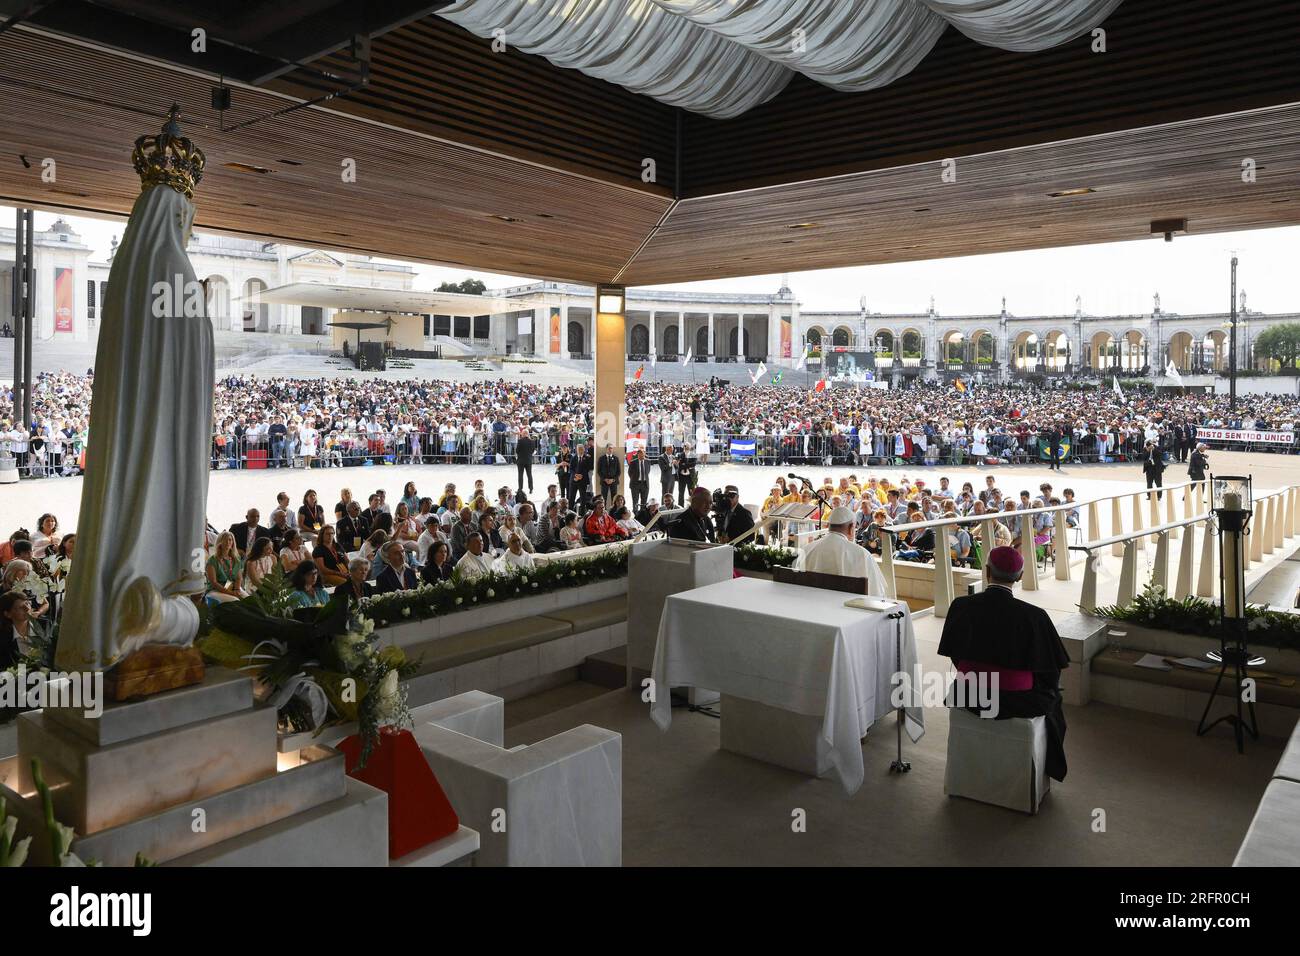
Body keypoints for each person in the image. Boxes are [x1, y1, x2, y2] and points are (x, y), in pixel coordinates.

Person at [938, 545, 1069, 781]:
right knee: (1055, 701)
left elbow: (955, 654)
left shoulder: (961, 606)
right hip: (1017, 700)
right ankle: (1050, 768)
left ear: (987, 571)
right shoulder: (1035, 616)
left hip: (969, 693)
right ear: (1019, 577)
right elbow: (1050, 668)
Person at [794, 505, 886, 593]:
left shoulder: (806, 550)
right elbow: (877, 591)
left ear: (829, 526)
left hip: (811, 605)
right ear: (851, 528)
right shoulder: (862, 554)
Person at [205, 531, 245, 603]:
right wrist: (231, 593)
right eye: (225, 539)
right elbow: (214, 583)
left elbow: (239, 578)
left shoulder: (236, 559)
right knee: (235, 600)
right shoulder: (212, 560)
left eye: (230, 539)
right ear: (220, 542)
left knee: (249, 599)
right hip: (215, 590)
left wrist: (236, 590)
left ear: (233, 542)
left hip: (232, 587)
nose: (228, 542)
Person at [597, 443, 622, 507]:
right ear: (606, 449)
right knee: (603, 498)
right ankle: (603, 512)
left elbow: (618, 472)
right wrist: (605, 479)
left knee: (614, 498)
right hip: (604, 481)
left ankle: (613, 512)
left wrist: (613, 479)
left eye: (612, 448)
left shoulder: (616, 459)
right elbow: (599, 471)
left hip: (613, 482)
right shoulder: (601, 458)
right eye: (609, 448)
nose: (610, 449)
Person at [628, 448, 650, 513]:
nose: (642, 456)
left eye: (643, 454)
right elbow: (630, 473)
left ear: (645, 454)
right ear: (638, 455)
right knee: (635, 501)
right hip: (635, 484)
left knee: (644, 500)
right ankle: (635, 514)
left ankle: (642, 514)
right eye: (640, 455)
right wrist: (635, 479)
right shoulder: (633, 462)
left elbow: (647, 472)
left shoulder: (648, 461)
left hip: (645, 484)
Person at [515, 426, 536, 493]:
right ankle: (531, 488)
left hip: (521, 460)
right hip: (529, 460)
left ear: (523, 434)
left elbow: (517, 450)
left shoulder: (520, 441)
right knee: (529, 475)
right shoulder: (532, 441)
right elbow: (533, 451)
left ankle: (520, 489)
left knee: (520, 475)